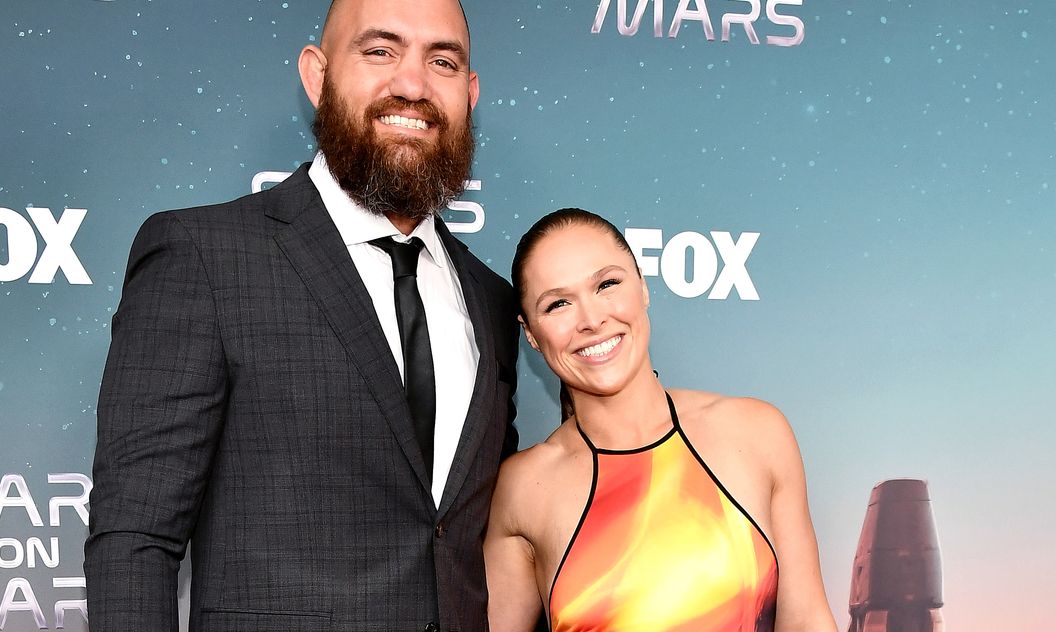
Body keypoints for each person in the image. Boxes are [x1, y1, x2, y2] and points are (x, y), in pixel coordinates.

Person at [84, 1, 519, 630]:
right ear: (317, 76)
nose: (413, 83)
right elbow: (135, 541)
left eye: (443, 62)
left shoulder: (491, 298)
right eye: (380, 51)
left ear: (470, 95)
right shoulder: (205, 256)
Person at [484, 209, 835, 631]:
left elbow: (808, 619)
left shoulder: (757, 433)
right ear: (531, 334)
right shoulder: (524, 489)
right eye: (558, 304)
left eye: (607, 284)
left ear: (643, 288)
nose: (591, 320)